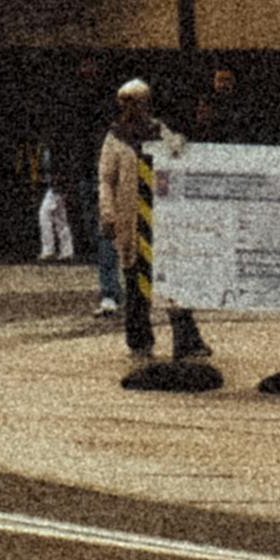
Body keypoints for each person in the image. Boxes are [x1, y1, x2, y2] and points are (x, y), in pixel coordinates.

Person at [95, 76, 219, 388]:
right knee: (135, 280)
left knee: (172, 278)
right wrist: (107, 213)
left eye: (135, 101)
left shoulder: (159, 131)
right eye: (125, 101)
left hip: (162, 218)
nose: (130, 107)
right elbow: (105, 180)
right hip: (131, 219)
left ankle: (187, 338)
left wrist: (178, 146)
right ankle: (139, 339)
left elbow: (179, 158)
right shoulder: (115, 138)